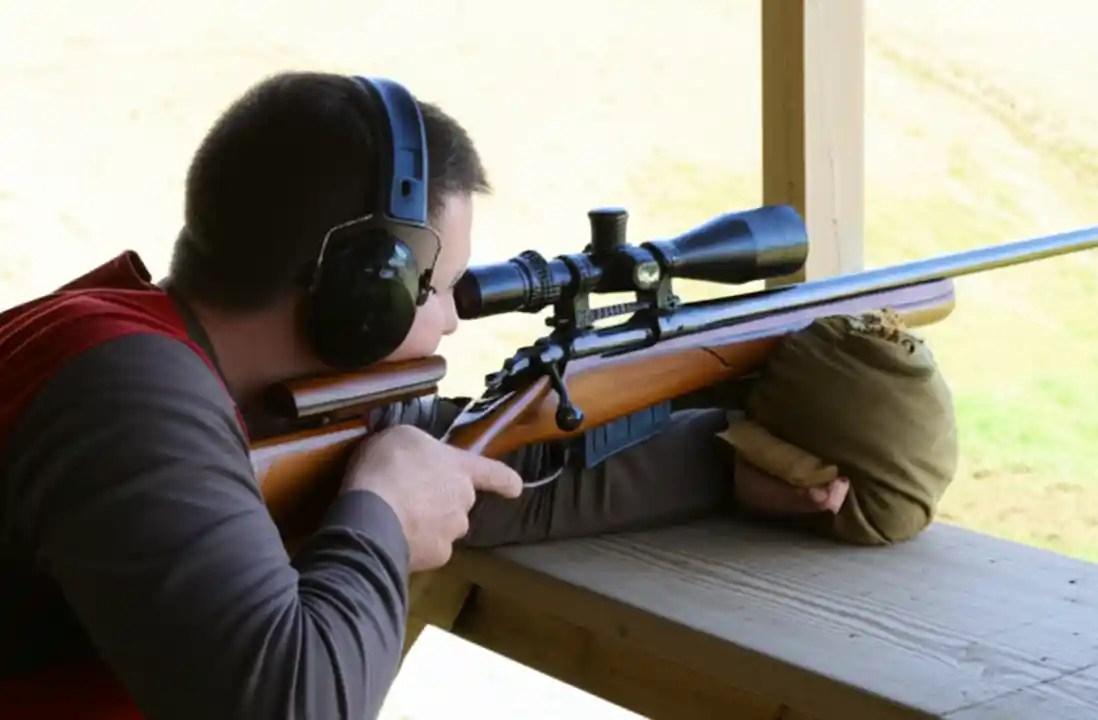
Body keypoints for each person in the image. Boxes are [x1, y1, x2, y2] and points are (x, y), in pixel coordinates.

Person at [0, 72, 850, 719]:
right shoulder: (122, 389)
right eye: (437, 288)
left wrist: (730, 467)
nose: (450, 319)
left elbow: (494, 462)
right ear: (360, 289)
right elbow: (290, 703)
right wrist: (380, 515)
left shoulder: (198, 375)